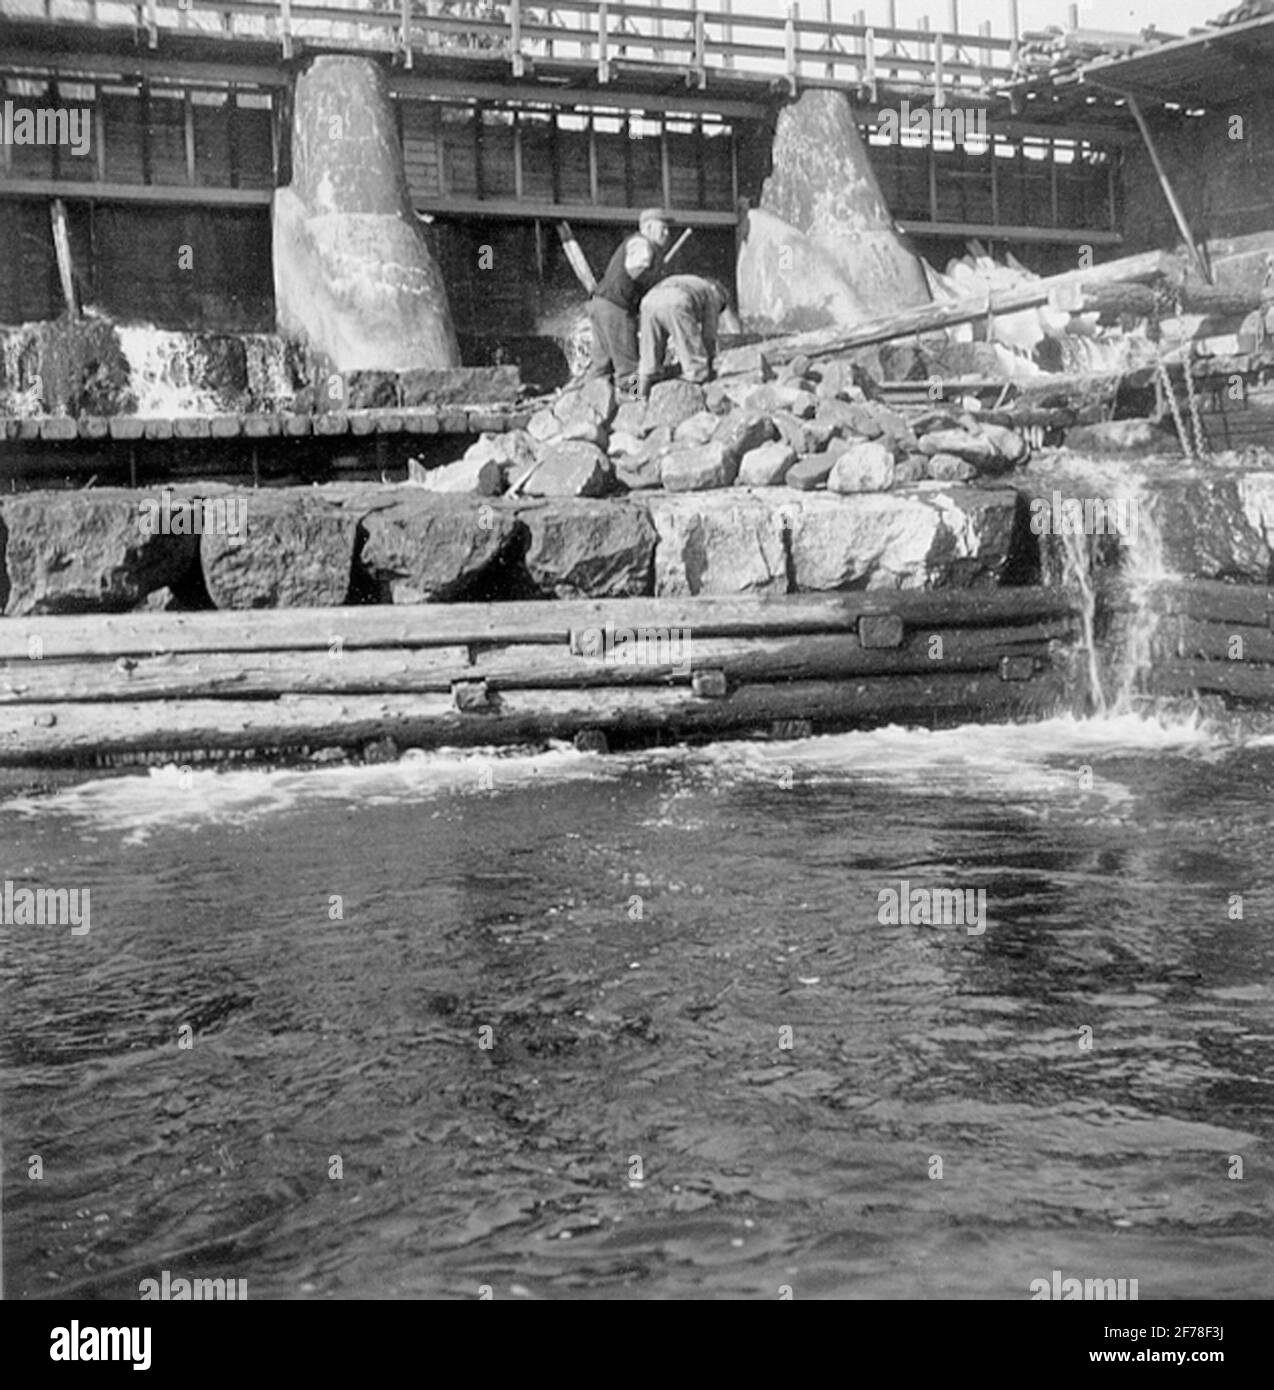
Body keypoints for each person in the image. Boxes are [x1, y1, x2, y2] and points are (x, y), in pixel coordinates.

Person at [585, 208, 672, 394]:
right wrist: (656, 281)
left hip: (601, 303)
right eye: (663, 228)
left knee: (601, 365)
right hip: (616, 307)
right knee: (628, 365)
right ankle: (634, 403)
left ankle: (583, 403)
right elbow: (635, 271)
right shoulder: (642, 243)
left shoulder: (642, 244)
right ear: (648, 227)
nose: (667, 233)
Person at [637, 274, 734, 397]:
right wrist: (708, 365)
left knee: (646, 359)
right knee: (696, 366)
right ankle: (697, 399)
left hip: (648, 300)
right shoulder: (713, 293)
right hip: (676, 301)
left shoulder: (692, 282)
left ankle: (635, 396)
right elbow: (708, 336)